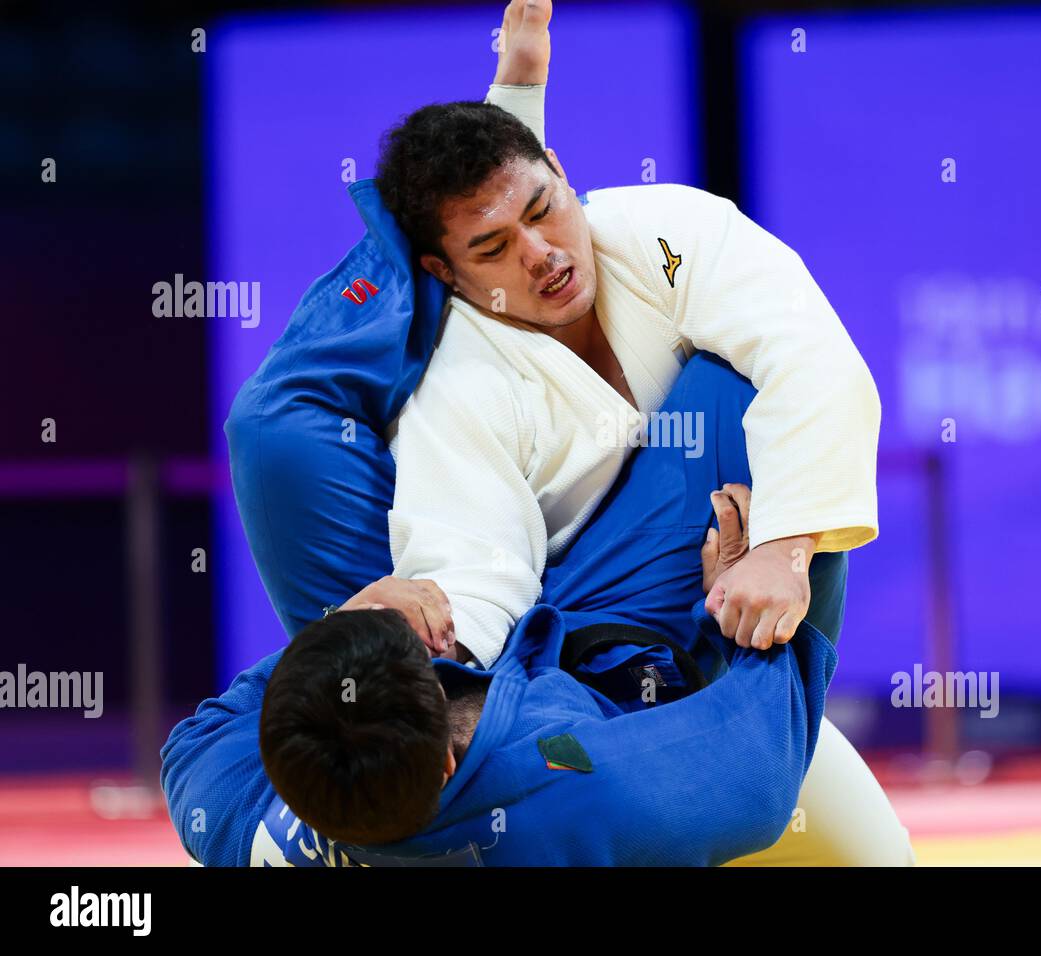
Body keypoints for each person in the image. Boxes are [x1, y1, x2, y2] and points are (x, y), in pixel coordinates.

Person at [213, 0, 911, 865]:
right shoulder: (458, 383)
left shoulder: (668, 230)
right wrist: (401, 657)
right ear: (446, 274)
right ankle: (374, 796)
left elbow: (811, 353)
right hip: (583, 658)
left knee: (880, 862)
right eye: (494, 246)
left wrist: (787, 546)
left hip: (716, 602)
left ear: (560, 167)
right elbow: (477, 565)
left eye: (545, 207)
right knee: (274, 433)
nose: (542, 253)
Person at [164, 354, 906, 866]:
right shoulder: (581, 793)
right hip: (655, 695)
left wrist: (342, 633)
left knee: (271, 429)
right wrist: (761, 589)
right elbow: (763, 767)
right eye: (437, 657)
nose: (443, 636)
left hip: (548, 656)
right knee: (745, 401)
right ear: (452, 758)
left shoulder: (257, 826)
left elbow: (194, 744)